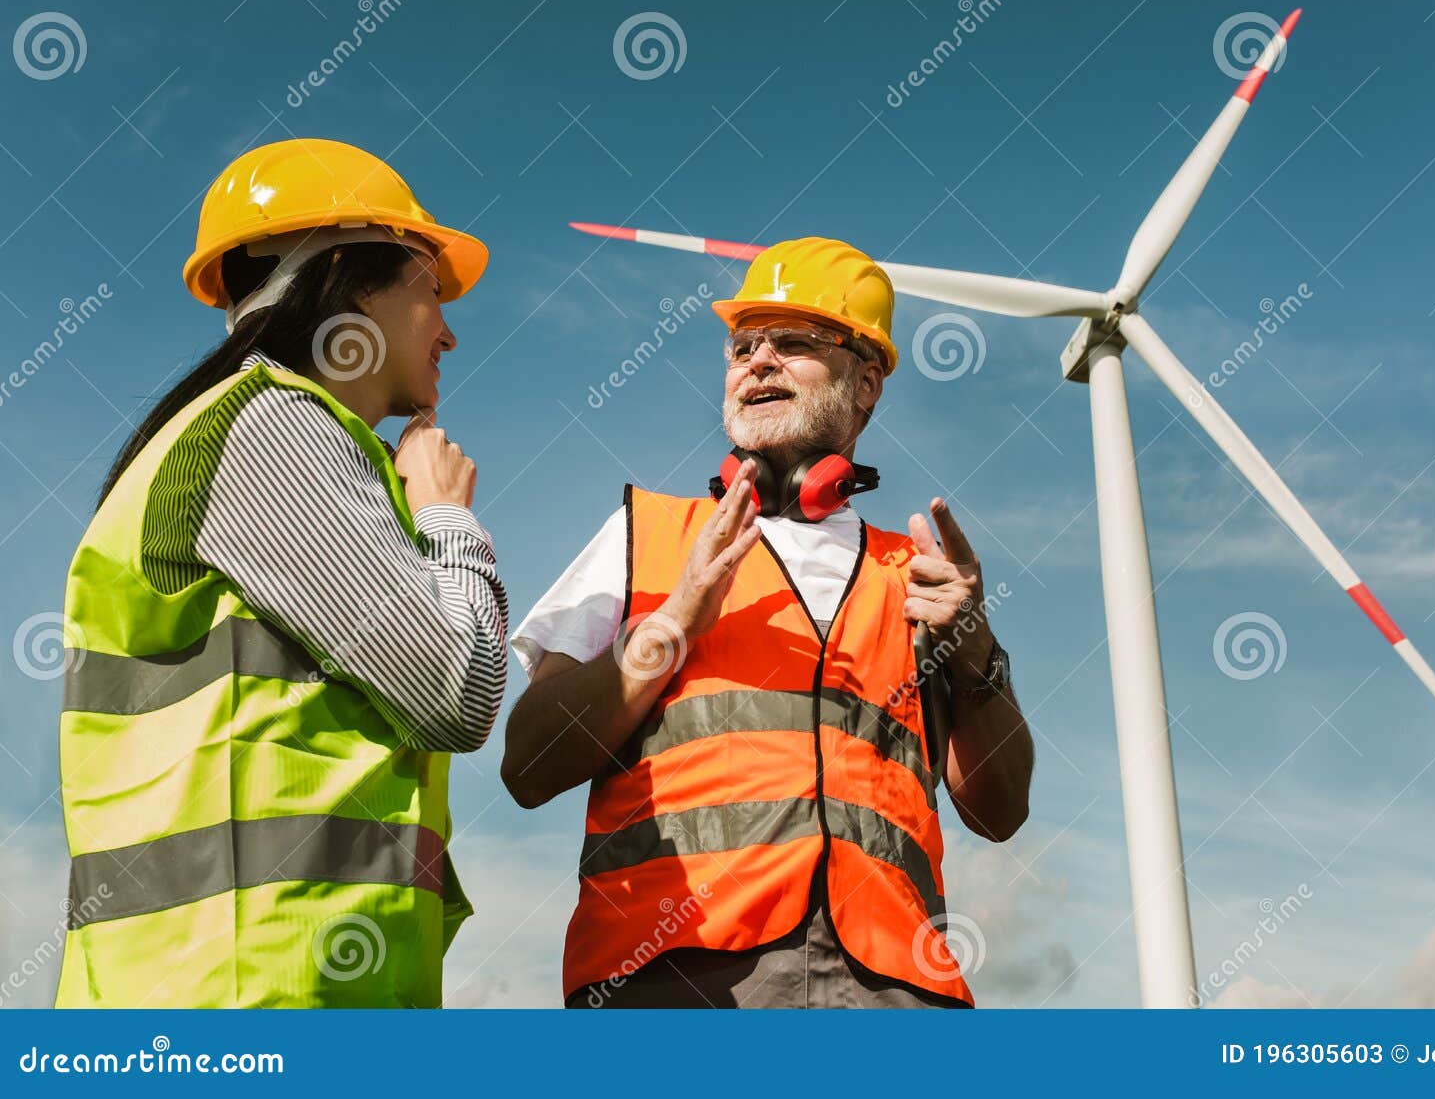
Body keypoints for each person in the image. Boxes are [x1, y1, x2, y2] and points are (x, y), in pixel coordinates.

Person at [502, 237, 1033, 1008]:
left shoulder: (915, 575)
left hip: (895, 994)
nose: (758, 361)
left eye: (793, 342)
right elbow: (528, 763)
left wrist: (975, 647)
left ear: (867, 383)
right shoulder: (643, 534)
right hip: (676, 984)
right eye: (742, 345)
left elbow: (1001, 810)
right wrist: (674, 619)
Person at [55, 138, 507, 1007]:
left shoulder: (250, 438)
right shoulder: (274, 433)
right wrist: (450, 517)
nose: (448, 329)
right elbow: (459, 685)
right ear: (346, 277)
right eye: (429, 289)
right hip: (258, 996)